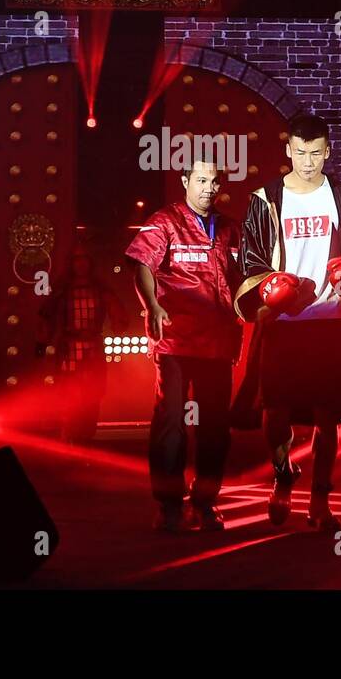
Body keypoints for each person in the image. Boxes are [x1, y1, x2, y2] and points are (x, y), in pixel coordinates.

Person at [231, 113, 341, 533]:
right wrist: (269, 288)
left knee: (327, 415)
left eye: (315, 153)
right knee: (274, 413)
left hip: (332, 323)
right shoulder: (266, 199)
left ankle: (320, 501)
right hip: (283, 322)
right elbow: (248, 259)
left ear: (327, 152)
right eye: (300, 152)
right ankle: (283, 475)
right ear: (288, 150)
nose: (307, 161)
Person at [126, 158, 243, 533]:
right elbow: (140, 265)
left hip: (218, 343)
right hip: (175, 340)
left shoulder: (229, 228)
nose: (209, 187)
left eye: (215, 181)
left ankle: (206, 504)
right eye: (202, 180)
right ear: (185, 181)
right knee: (171, 426)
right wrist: (153, 305)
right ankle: (169, 505)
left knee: (215, 428)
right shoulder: (164, 222)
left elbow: (243, 277)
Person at [37, 244, 123, 442]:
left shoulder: (100, 288)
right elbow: (47, 315)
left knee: (92, 396)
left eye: (84, 259)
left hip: (93, 348)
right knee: (69, 395)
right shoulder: (63, 289)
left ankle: (86, 437)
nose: (81, 264)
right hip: (69, 348)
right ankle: (70, 438)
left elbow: (117, 312)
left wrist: (119, 322)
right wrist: (42, 340)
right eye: (77, 260)